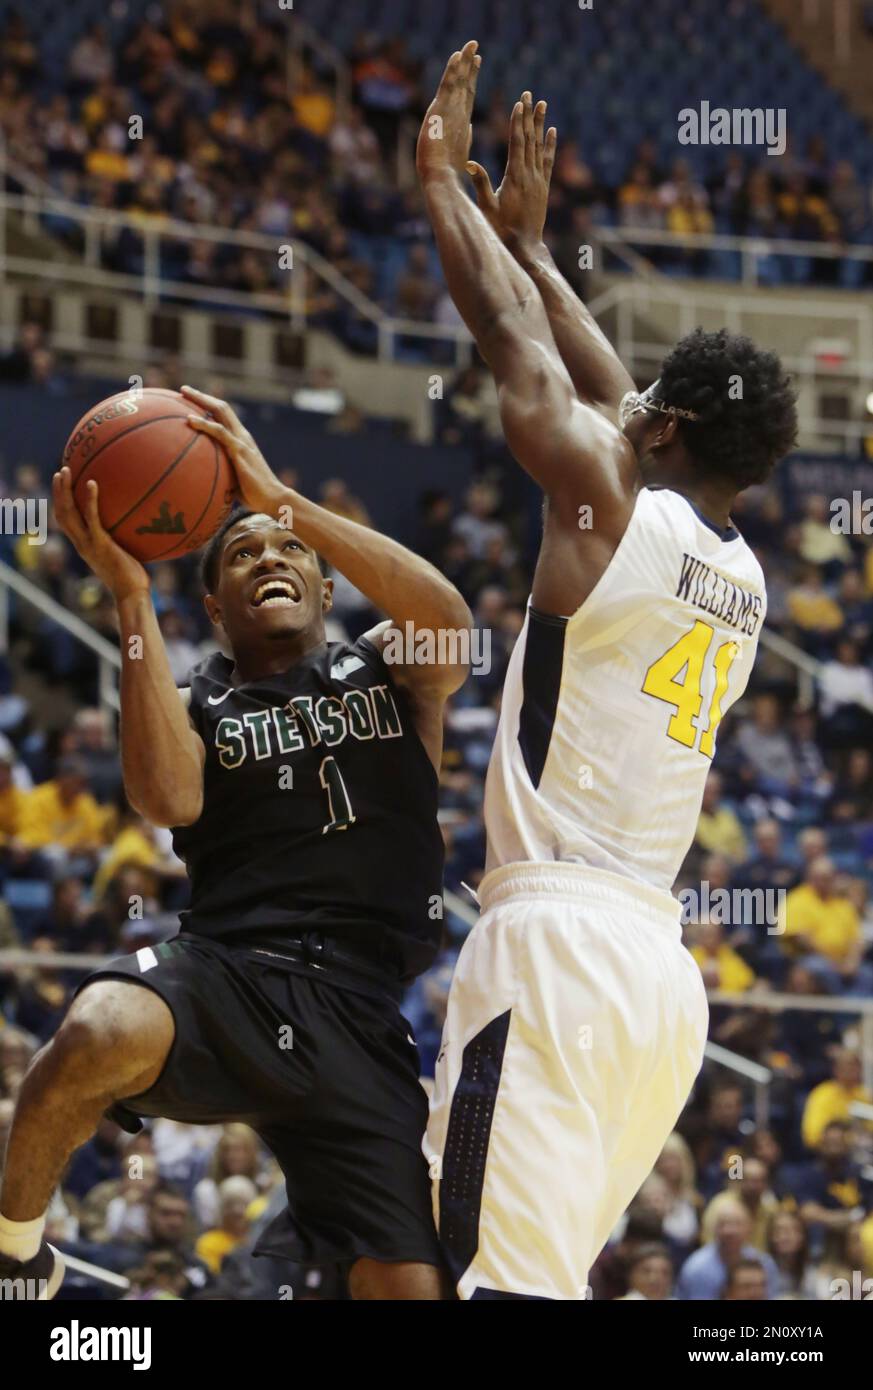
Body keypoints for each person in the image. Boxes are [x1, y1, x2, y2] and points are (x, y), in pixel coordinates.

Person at [417, 43, 798, 1301]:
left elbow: (525, 354)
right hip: (656, 981)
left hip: (555, 941)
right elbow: (617, 392)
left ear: (666, 434)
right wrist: (536, 245)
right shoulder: (742, 581)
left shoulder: (608, 501)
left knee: (486, 1285)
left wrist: (443, 188)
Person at [0, 387, 473, 1300]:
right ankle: (16, 1256)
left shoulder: (390, 663)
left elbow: (453, 627)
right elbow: (165, 795)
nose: (269, 555)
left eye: (288, 548)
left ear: (327, 586)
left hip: (359, 1011)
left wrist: (288, 504)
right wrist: (130, 595)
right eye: (244, 552)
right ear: (215, 608)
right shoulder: (192, 703)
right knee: (95, 1030)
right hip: (225, 975)